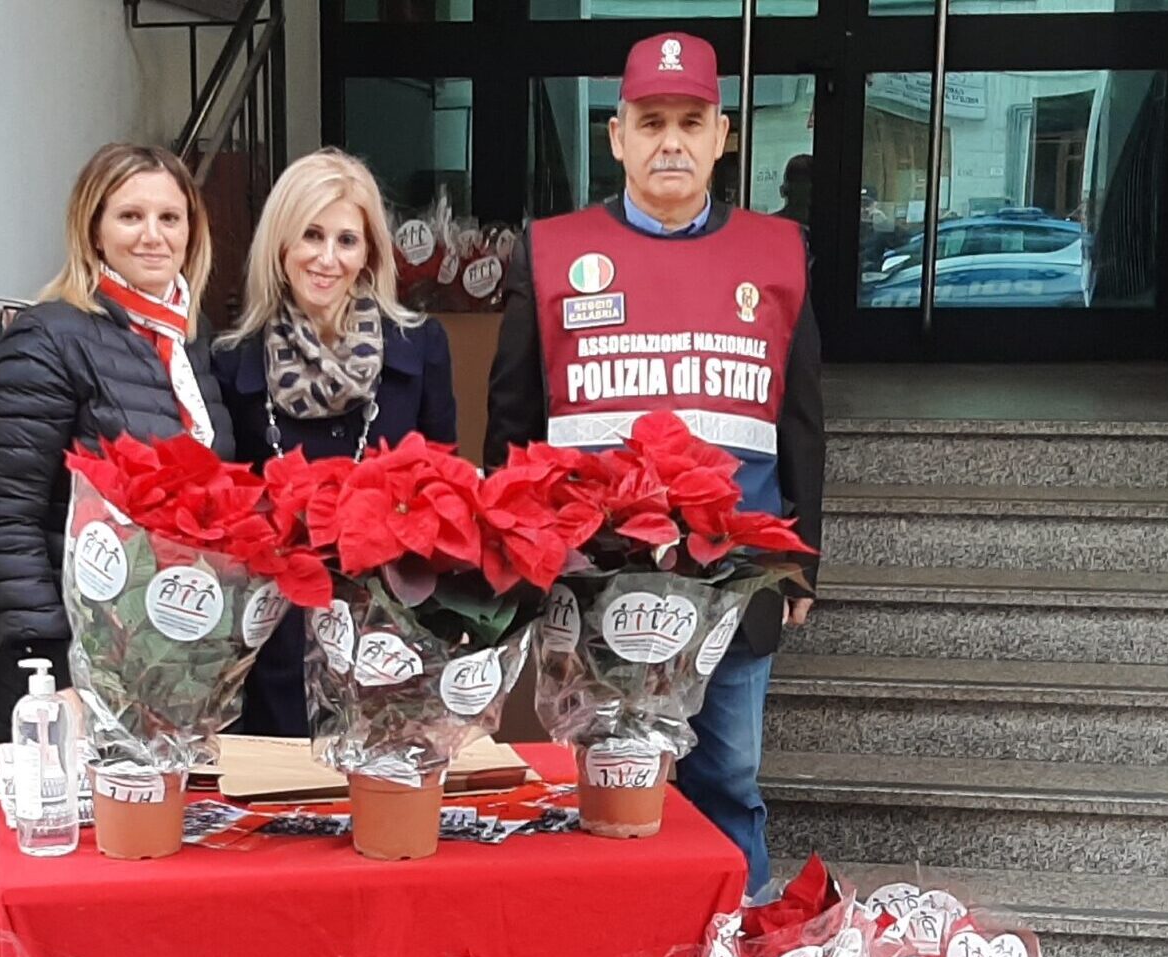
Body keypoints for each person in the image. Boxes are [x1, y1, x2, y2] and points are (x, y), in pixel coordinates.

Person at [485, 31, 825, 901]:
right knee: (594, 790)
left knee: (728, 781)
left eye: (690, 121)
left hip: (732, 589)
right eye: (650, 122)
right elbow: (514, 419)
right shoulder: (553, 253)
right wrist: (509, 552)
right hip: (590, 586)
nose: (670, 140)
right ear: (616, 136)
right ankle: (609, 954)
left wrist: (799, 568)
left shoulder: (776, 256)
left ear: (722, 136)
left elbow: (800, 423)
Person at [0, 143, 234, 746]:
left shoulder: (191, 347)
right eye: (130, 217)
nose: (153, 236)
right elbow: (9, 518)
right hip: (69, 677)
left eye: (170, 219)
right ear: (93, 230)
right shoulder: (48, 339)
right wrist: (54, 661)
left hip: (169, 665)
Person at [212, 149, 458, 736]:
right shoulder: (231, 361)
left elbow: (442, 494)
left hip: (387, 634)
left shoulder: (420, 349)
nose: (328, 258)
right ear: (281, 245)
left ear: (369, 252)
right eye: (311, 236)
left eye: (347, 240)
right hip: (271, 640)